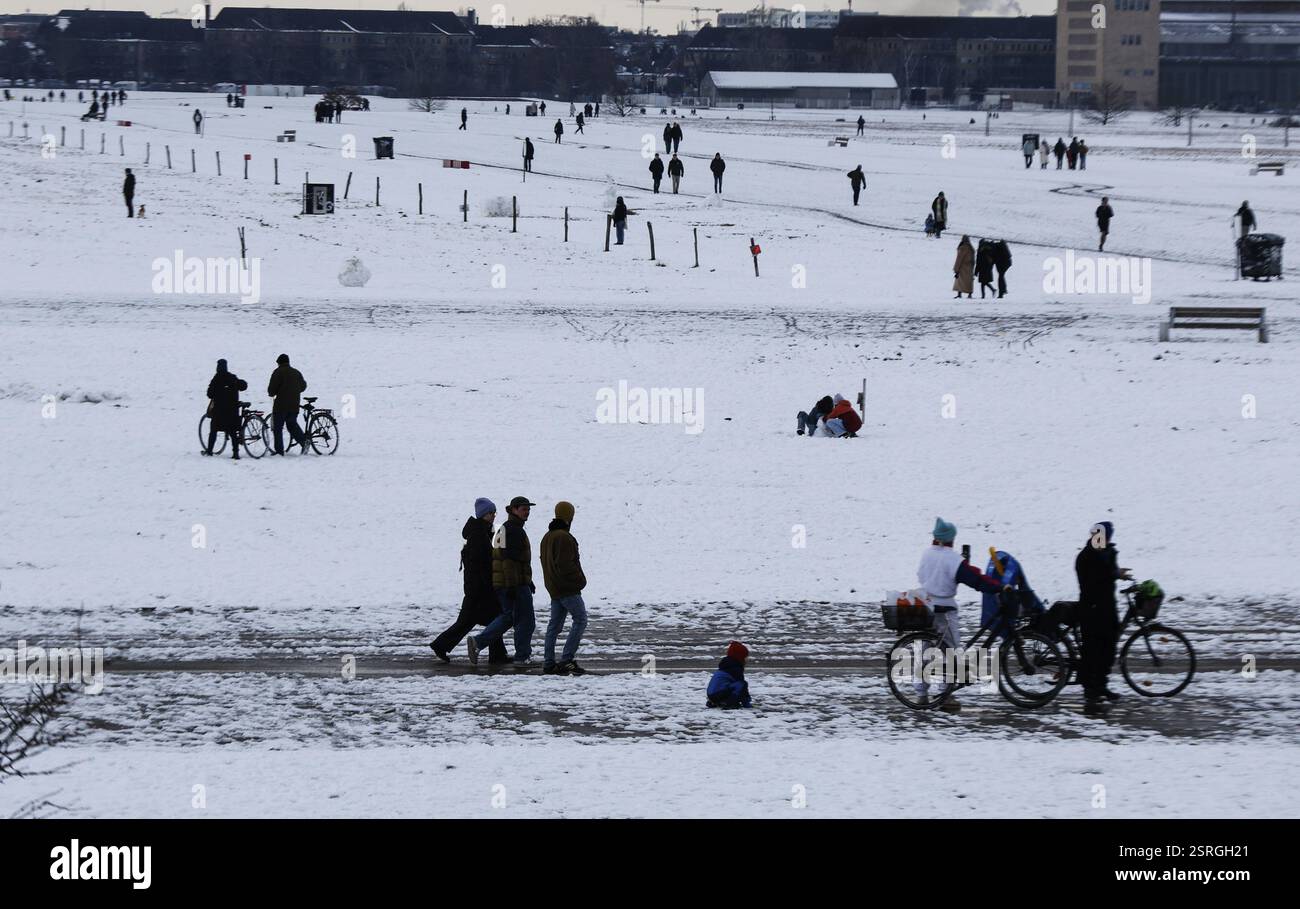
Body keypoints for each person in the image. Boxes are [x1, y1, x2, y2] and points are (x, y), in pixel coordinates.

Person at [913, 518, 1003, 711]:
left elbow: (921, 575)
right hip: (945, 610)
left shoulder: (927, 554)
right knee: (952, 652)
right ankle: (945, 695)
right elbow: (976, 579)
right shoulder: (953, 558)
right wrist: (998, 587)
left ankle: (921, 693)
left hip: (926, 606)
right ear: (951, 539)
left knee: (925, 650)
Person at [431, 499, 512, 665]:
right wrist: (488, 584)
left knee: (488, 620)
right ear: (483, 514)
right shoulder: (478, 534)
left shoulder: (484, 532)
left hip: (478, 587)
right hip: (479, 588)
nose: (493, 516)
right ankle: (440, 645)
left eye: (494, 512)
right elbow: (482, 562)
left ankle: (497, 655)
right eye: (491, 513)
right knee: (474, 621)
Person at [468, 496, 538, 668]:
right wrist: (514, 586)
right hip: (512, 584)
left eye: (528, 509)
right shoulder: (513, 530)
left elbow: (500, 558)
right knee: (525, 621)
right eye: (523, 508)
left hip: (507, 583)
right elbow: (508, 561)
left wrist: (527, 581)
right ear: (513, 510)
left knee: (509, 617)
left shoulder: (505, 528)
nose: (527, 511)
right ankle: (522, 657)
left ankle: (478, 643)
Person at [1075, 521, 1133, 713]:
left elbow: (1106, 571)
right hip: (1093, 608)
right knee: (1094, 649)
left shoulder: (1103, 551)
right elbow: (1101, 574)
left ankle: (1100, 685)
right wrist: (1117, 574)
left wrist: (1117, 573)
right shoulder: (1090, 555)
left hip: (1106, 606)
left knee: (1107, 648)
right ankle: (1091, 688)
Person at [540, 501, 588, 675]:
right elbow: (566, 565)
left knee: (554, 625)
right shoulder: (563, 537)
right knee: (581, 619)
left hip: (554, 588)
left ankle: (548, 662)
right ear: (569, 516)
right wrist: (580, 581)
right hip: (567, 589)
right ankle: (567, 659)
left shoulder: (547, 536)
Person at [204, 359, 247, 459]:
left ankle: (210, 451)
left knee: (213, 431)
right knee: (233, 433)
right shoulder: (232, 377)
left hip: (219, 412)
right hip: (232, 412)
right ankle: (235, 453)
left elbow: (209, 394)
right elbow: (243, 386)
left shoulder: (216, 379)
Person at [267, 353, 308, 455]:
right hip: (294, 404)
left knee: (278, 428)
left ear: (279, 363)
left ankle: (279, 451)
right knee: (292, 425)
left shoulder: (278, 372)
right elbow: (303, 386)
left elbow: (272, 389)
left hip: (281, 405)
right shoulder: (296, 372)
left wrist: (272, 393)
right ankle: (304, 442)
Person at [707, 641, 752, 709]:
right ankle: (729, 703)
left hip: (711, 695)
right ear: (739, 657)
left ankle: (718, 702)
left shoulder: (726, 665)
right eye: (745, 657)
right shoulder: (735, 668)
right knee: (742, 684)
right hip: (718, 694)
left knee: (733, 686)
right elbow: (742, 688)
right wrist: (746, 703)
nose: (746, 659)